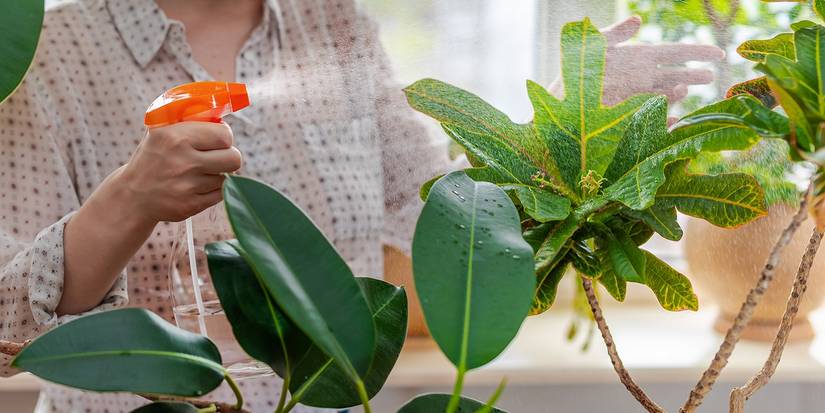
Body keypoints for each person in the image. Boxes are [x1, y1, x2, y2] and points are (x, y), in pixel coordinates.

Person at [0, 0, 723, 411]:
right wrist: (130, 197)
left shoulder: (334, 25)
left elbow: (446, 232)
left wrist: (566, 128)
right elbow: (6, 326)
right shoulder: (45, 54)